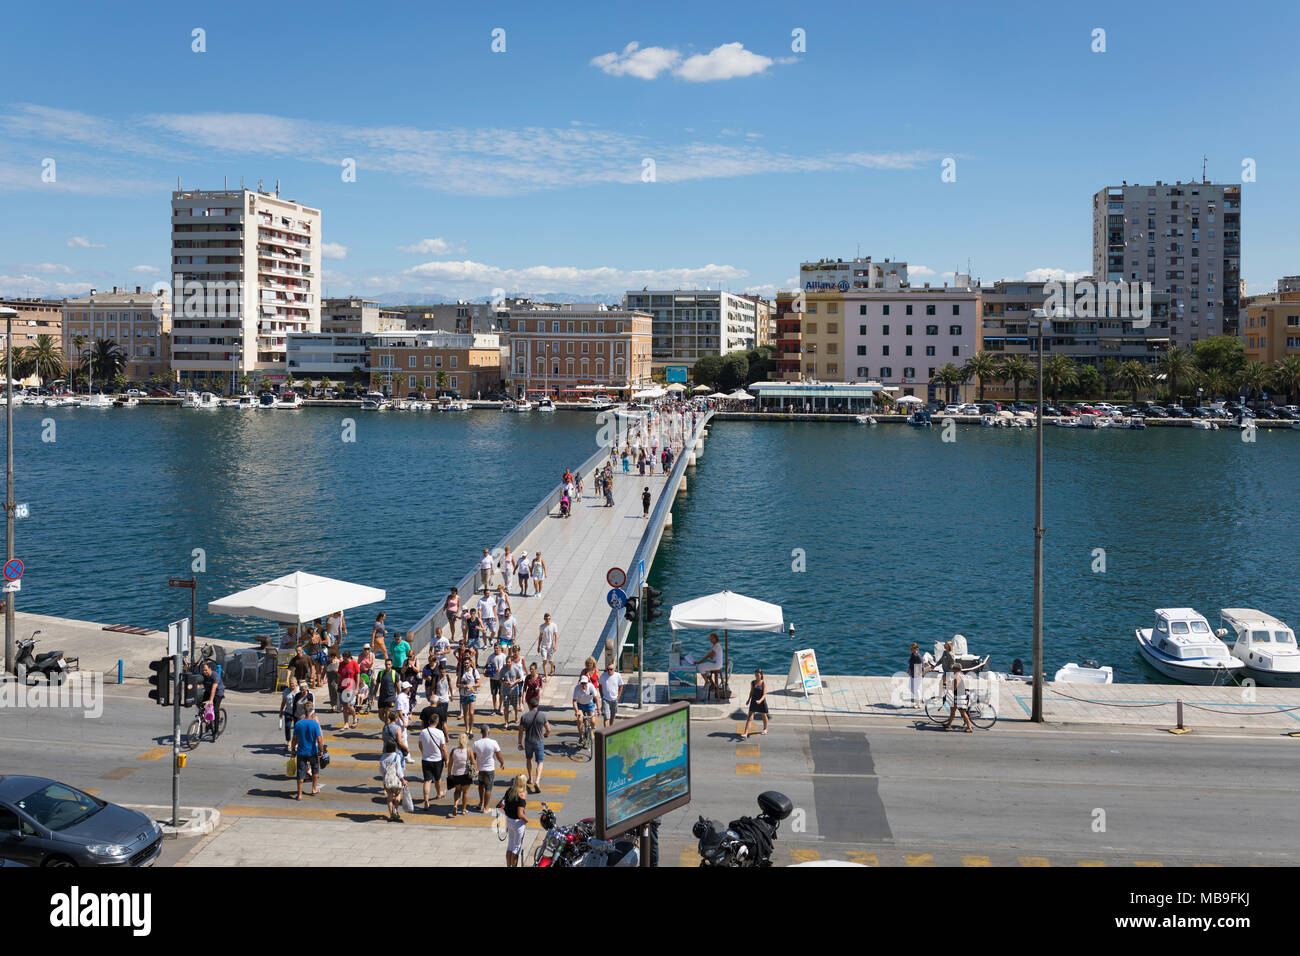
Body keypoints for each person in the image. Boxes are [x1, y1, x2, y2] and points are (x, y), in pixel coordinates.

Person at [380, 709, 410, 822]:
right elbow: (400, 741)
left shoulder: (385, 727)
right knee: (398, 778)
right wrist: (406, 748)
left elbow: (383, 739)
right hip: (396, 753)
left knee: (389, 794)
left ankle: (391, 813)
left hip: (386, 752)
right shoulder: (397, 728)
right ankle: (396, 810)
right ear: (396, 718)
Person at [517, 696, 550, 794]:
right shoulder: (542, 716)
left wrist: (519, 742)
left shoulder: (524, 717)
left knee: (529, 759)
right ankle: (537, 781)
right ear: (538, 705)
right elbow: (549, 729)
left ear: (529, 705)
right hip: (539, 741)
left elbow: (520, 731)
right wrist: (546, 734)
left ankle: (530, 778)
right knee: (540, 762)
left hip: (528, 741)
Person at [290, 703, 323, 800]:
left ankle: (299, 794)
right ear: (312, 713)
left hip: (301, 752)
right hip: (313, 751)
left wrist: (292, 749)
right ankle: (314, 789)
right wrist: (321, 751)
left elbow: (294, 739)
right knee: (315, 769)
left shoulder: (298, 724)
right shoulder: (315, 724)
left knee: (300, 772)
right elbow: (319, 740)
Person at [418, 712, 449, 808]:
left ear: (428, 721)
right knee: (437, 778)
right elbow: (443, 748)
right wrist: (447, 759)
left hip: (426, 759)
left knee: (427, 781)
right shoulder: (440, 733)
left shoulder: (423, 732)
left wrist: (424, 753)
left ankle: (426, 801)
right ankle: (439, 793)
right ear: (437, 722)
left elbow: (420, 744)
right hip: (437, 760)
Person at [471, 725, 504, 813]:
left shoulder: (476, 743)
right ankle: (485, 808)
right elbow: (498, 755)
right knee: (488, 788)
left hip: (480, 769)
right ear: (489, 732)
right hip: (489, 769)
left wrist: (475, 768)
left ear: (481, 732)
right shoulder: (493, 742)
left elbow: (473, 758)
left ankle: (481, 802)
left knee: (481, 786)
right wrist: (502, 763)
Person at [447, 733, 476, 816]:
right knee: (465, 792)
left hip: (456, 775)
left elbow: (450, 764)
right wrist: (476, 771)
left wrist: (449, 774)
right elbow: (473, 762)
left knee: (457, 791)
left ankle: (455, 805)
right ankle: (463, 809)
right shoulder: (468, 750)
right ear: (466, 741)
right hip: (466, 775)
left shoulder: (453, 750)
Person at [503, 774, 529, 867]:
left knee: (510, 845)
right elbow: (520, 814)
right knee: (516, 848)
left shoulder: (509, 791)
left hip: (509, 820)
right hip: (518, 823)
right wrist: (527, 820)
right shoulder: (521, 795)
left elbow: (504, 805)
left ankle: (508, 865)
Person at [943, 664, 974, 733]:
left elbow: (955, 687)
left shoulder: (957, 676)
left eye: (952, 669)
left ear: (956, 669)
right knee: (952, 710)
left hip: (960, 696)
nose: (951, 670)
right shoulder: (959, 674)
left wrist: (948, 686)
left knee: (962, 712)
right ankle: (949, 724)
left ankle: (969, 727)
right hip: (958, 695)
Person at [740, 669, 769, 740]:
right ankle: (746, 733)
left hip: (761, 701)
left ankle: (765, 729)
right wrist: (748, 699)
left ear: (761, 675)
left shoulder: (763, 683)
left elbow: (764, 694)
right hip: (753, 701)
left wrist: (760, 701)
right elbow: (751, 692)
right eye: (755, 674)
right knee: (750, 717)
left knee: (764, 716)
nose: (756, 676)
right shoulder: (752, 682)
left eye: (758, 674)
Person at [199, 661, 224, 736]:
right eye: (203, 670)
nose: (204, 672)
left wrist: (210, 701)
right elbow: (198, 683)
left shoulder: (215, 676)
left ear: (210, 669)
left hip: (217, 693)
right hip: (208, 691)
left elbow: (214, 689)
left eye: (206, 670)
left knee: (215, 711)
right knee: (202, 707)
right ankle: (208, 724)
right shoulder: (203, 675)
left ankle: (216, 731)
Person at [572, 674, 598, 746]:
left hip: (589, 704)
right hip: (580, 705)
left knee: (593, 720)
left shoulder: (591, 687)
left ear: (587, 682)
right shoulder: (577, 688)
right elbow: (574, 701)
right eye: (582, 683)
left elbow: (596, 698)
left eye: (585, 683)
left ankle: (592, 731)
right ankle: (581, 736)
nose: (583, 685)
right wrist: (576, 711)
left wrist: (599, 708)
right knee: (580, 719)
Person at [501, 652, 525, 728]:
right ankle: (506, 722)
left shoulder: (516, 669)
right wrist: (505, 682)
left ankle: (516, 716)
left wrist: (514, 682)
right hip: (505, 691)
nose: (507, 663)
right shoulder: (503, 669)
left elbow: (520, 678)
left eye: (509, 662)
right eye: (506, 662)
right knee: (506, 707)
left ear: (512, 662)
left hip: (514, 690)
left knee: (515, 706)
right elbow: (500, 679)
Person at [458, 658, 480, 735]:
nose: (466, 665)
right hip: (463, 694)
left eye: (467, 663)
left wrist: (472, 685)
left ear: (470, 663)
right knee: (465, 712)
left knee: (471, 713)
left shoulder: (474, 671)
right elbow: (457, 684)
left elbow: (478, 683)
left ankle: (471, 729)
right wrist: (464, 686)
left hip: (472, 694)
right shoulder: (461, 672)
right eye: (465, 663)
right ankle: (467, 728)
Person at [373, 658, 399, 723]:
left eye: (389, 664)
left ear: (391, 665)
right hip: (382, 697)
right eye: (386, 664)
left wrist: (398, 697)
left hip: (390, 697)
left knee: (388, 714)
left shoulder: (395, 674)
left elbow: (398, 687)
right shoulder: (381, 673)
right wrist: (373, 696)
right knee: (380, 715)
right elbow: (377, 685)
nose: (387, 666)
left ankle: (387, 728)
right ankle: (390, 724)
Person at [338, 650, 359, 729]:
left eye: (345, 659)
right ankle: (346, 723)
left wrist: (357, 688)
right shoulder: (341, 664)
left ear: (349, 657)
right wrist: (339, 685)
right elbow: (339, 675)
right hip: (342, 687)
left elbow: (357, 676)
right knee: (344, 706)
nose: (344, 660)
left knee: (349, 705)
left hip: (351, 687)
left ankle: (355, 717)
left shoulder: (354, 664)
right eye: (343, 658)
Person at [599, 661, 623, 728]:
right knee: (606, 717)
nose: (609, 671)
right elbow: (600, 685)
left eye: (611, 669)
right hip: (606, 699)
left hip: (614, 699)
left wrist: (618, 697)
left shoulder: (618, 675)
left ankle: (611, 729)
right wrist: (602, 696)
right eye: (608, 669)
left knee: (612, 716)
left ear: (614, 669)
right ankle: (606, 732)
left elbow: (621, 686)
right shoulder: (603, 676)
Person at [485, 643, 506, 716]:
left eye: (497, 648)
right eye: (495, 648)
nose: (496, 650)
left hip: (501, 678)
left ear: (500, 648)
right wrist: (486, 671)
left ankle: (500, 708)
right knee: (494, 694)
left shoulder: (503, 656)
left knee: (501, 694)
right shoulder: (491, 656)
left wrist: (501, 670)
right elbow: (487, 665)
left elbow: (506, 666)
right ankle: (494, 709)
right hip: (493, 678)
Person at [536, 613, 558, 677]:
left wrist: (555, 645)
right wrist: (538, 646)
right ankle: (546, 676)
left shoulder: (554, 626)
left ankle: (552, 667)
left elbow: (556, 636)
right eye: (546, 619)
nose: (548, 620)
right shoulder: (542, 626)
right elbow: (540, 636)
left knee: (550, 660)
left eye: (549, 618)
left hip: (550, 646)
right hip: (544, 646)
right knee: (544, 661)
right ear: (544, 619)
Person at [280, 678, 299, 751]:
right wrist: (281, 711)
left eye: (293, 683)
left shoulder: (299, 691)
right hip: (288, 711)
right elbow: (283, 702)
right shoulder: (286, 691)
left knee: (296, 728)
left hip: (297, 712)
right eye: (290, 683)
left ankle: (296, 742)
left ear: (296, 683)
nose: (292, 685)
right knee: (287, 727)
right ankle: (288, 742)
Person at [907, 642, 925, 706]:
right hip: (913, 673)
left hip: (917, 674)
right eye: (910, 648)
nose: (911, 650)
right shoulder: (912, 655)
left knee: (916, 689)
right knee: (911, 687)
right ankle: (919, 699)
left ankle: (918, 703)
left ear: (916, 649)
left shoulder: (918, 656)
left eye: (912, 648)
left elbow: (922, 666)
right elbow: (911, 664)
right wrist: (909, 671)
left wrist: (918, 674)